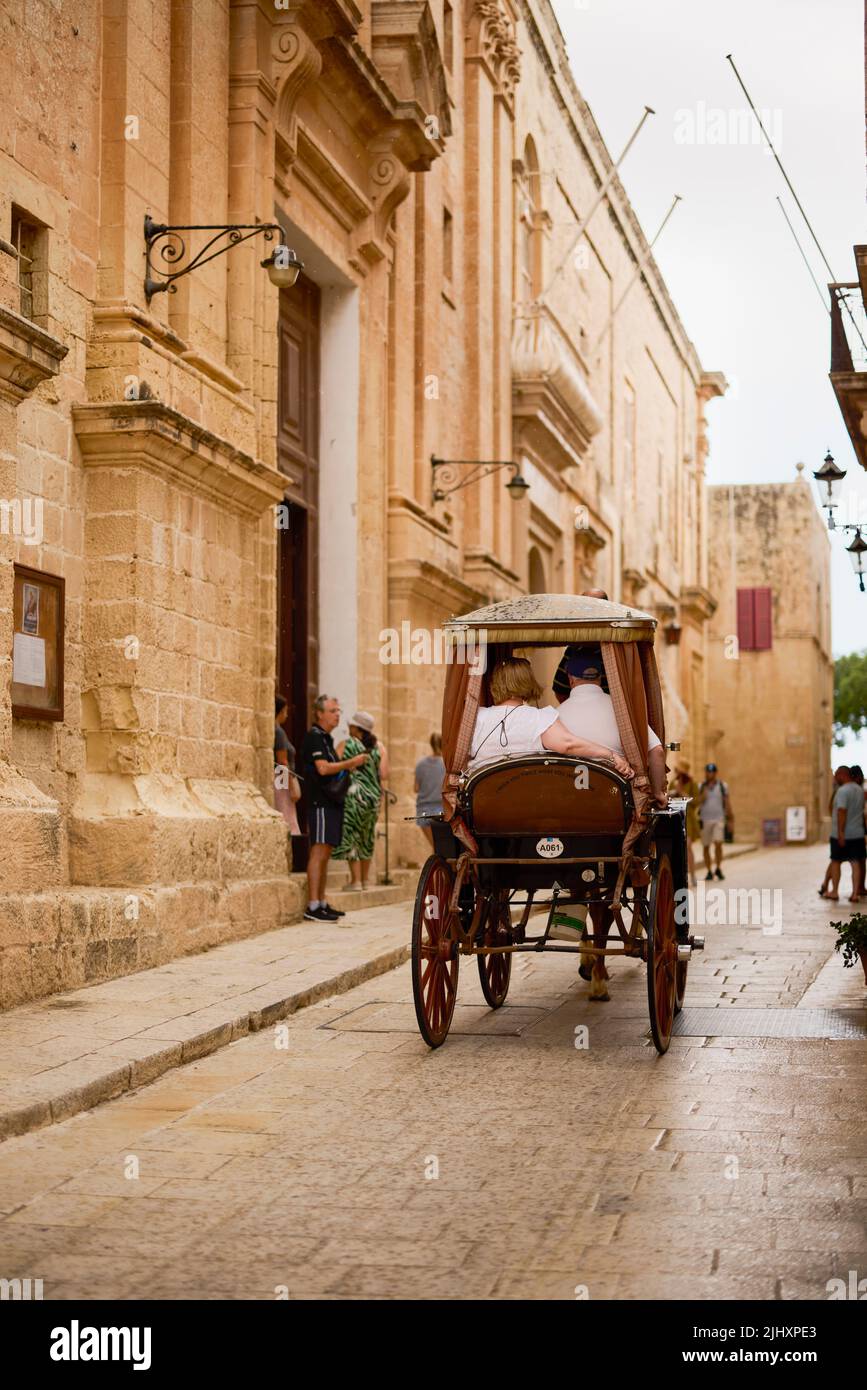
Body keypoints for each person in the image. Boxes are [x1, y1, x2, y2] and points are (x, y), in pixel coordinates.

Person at [467, 656, 634, 778]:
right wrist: (611, 755)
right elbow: (568, 744)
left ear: (494, 684)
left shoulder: (476, 717)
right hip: (524, 801)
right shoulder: (540, 718)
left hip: (481, 800)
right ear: (528, 681)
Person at [555, 649, 667, 806]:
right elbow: (657, 752)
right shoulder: (623, 712)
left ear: (570, 677)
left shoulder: (554, 715)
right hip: (615, 806)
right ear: (600, 676)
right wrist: (658, 793)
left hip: (569, 804)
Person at [300, 695, 369, 922]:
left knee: (326, 853)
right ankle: (312, 905)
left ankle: (321, 902)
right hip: (320, 802)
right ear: (319, 713)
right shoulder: (314, 737)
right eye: (332, 711)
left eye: (338, 711)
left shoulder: (326, 738)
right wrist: (351, 763)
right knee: (318, 851)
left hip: (332, 802)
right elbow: (322, 768)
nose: (337, 715)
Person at [333, 711, 389, 889]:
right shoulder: (380, 747)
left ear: (356, 728)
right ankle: (365, 880)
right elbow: (384, 774)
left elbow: (334, 767)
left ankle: (355, 880)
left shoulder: (346, 744)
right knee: (367, 837)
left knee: (352, 836)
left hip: (354, 795)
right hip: (373, 797)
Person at [824, 765, 866, 903]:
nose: (835, 778)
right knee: (855, 863)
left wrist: (841, 832)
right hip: (857, 833)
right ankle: (855, 893)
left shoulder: (842, 791)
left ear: (842, 774)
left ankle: (834, 891)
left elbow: (842, 811)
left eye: (836, 775)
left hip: (841, 834)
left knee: (836, 861)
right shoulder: (860, 790)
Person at [697, 763, 732, 881]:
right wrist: (703, 793)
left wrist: (730, 819)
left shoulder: (722, 786)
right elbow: (698, 802)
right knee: (706, 846)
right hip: (705, 820)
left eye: (711, 772)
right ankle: (709, 871)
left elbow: (727, 803)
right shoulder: (701, 786)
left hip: (719, 819)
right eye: (708, 772)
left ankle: (718, 867)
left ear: (715, 773)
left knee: (718, 843)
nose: (709, 774)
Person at [274, 695, 300, 836]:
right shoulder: (279, 732)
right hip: (281, 780)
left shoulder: (276, 730)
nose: (287, 715)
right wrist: (291, 787)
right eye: (285, 711)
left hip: (279, 779)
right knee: (287, 818)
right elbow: (282, 762)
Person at [669, 764, 699, 887]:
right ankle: (679, 876)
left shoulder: (692, 783)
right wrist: (674, 792)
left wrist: (682, 792)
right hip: (676, 817)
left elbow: (696, 801)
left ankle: (693, 875)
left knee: (688, 846)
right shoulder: (673, 782)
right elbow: (668, 798)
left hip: (688, 819)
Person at [415, 733, 445, 850]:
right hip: (441, 811)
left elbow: (416, 788)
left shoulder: (420, 764)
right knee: (441, 848)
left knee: (436, 848)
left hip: (423, 811)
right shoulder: (446, 764)